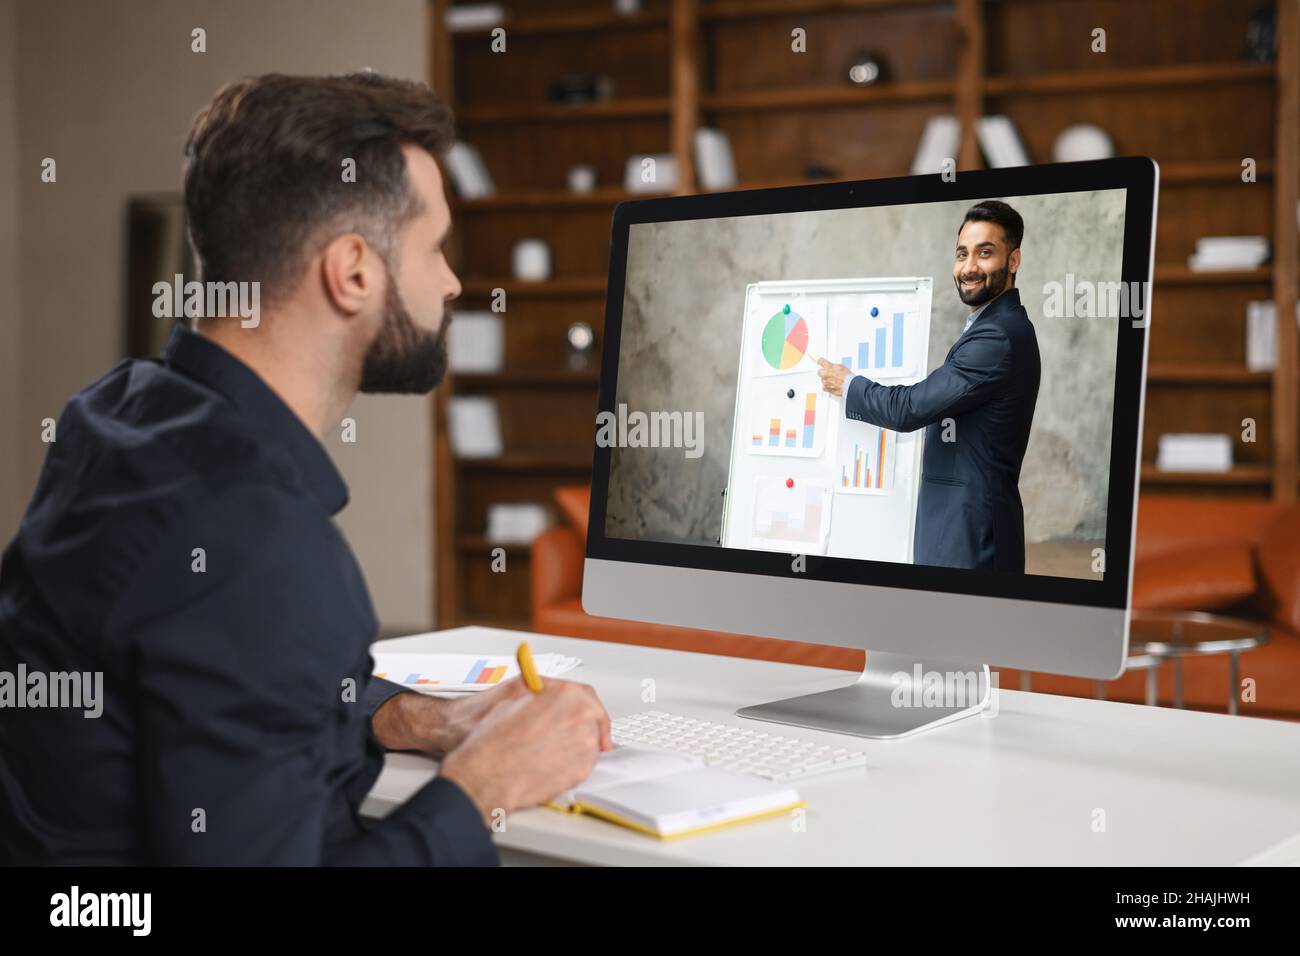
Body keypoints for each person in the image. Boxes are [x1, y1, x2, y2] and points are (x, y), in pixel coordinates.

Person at [0, 72, 611, 865]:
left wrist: (423, 717)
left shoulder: (118, 413)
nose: (454, 282)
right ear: (353, 271)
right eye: (434, 248)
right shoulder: (257, 546)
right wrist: (484, 785)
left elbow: (209, 689)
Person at [817, 200, 1041, 571]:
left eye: (985, 253)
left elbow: (911, 408)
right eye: (962, 254)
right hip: (958, 528)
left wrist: (849, 384)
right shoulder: (994, 327)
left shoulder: (998, 337)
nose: (969, 267)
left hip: (970, 537)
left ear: (1013, 261)